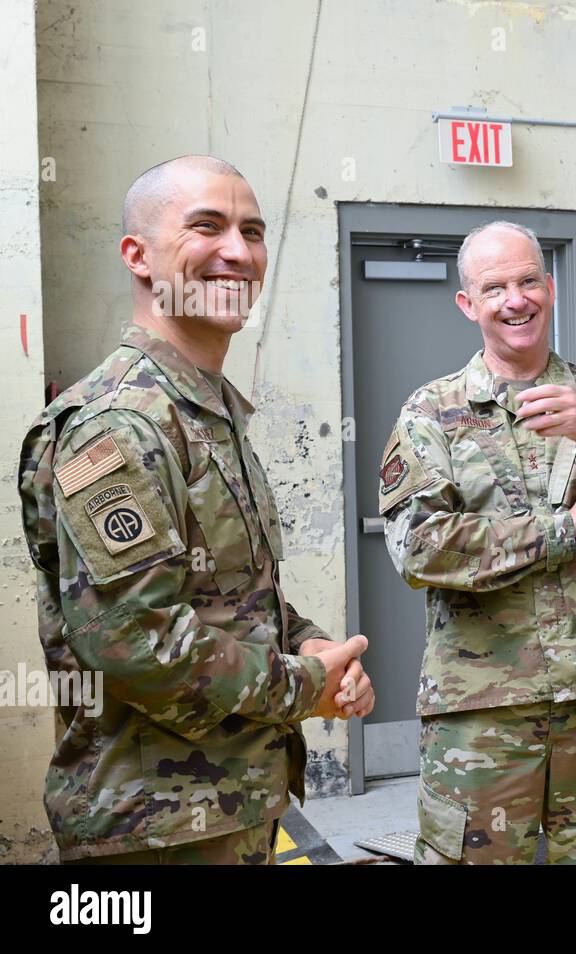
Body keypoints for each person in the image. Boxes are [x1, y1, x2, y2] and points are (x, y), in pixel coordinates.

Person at [17, 155, 374, 864]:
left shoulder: (206, 415)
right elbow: (136, 643)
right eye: (206, 227)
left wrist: (309, 644)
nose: (239, 252)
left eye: (253, 231)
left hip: (225, 808)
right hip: (156, 827)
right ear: (138, 255)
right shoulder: (118, 425)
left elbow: (234, 600)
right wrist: (307, 687)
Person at [380, 220, 576, 864]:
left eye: (528, 281)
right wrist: (563, 529)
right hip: (483, 710)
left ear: (550, 290)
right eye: (495, 288)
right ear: (468, 305)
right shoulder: (430, 412)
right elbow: (419, 547)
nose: (516, 299)